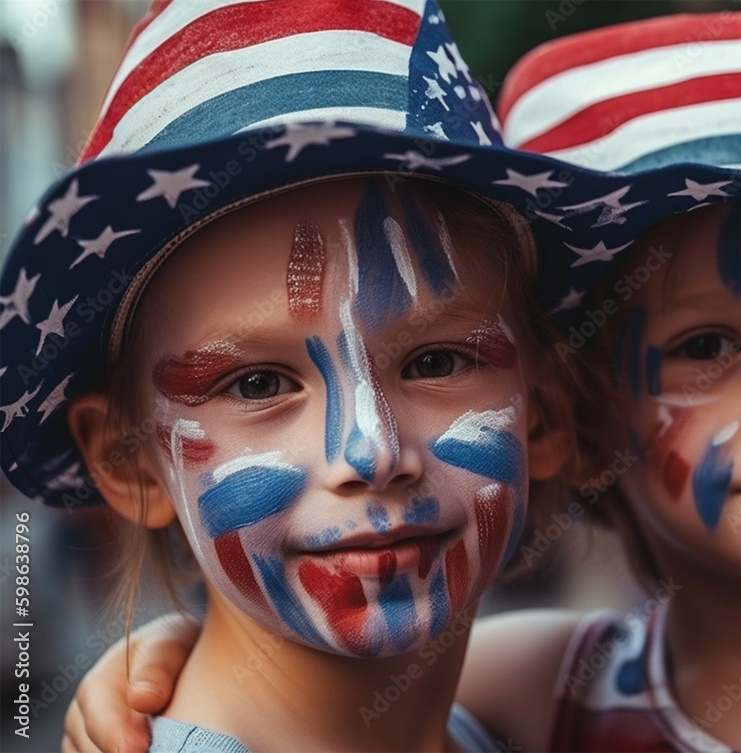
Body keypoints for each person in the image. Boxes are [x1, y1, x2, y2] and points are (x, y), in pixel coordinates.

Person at [60, 4, 741, 751]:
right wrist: (164, 674)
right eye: (705, 346)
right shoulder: (548, 688)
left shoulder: (515, 706)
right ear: (582, 412)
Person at [0, 1, 638, 750]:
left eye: (435, 362)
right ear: (126, 457)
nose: (368, 452)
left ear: (547, 416)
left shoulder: (516, 716)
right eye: (256, 384)